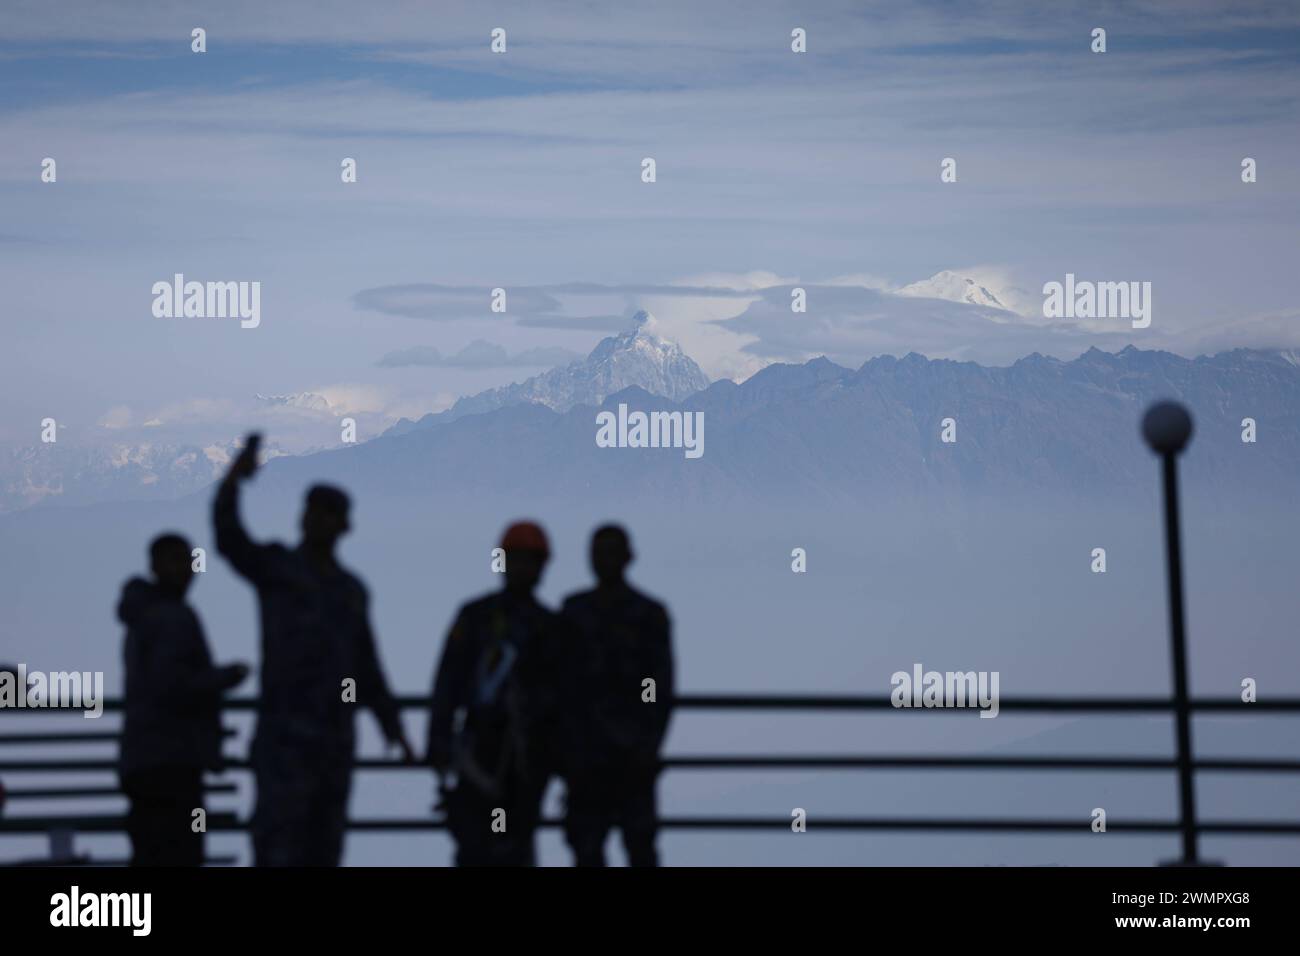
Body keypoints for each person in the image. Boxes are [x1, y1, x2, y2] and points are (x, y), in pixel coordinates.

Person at [214, 433, 413, 866]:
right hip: (283, 746)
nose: (318, 520)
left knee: (324, 852)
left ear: (342, 525)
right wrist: (233, 480)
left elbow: (366, 664)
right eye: (313, 511)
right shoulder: (278, 569)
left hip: (332, 748)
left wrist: (391, 723)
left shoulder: (351, 591)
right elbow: (229, 539)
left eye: (328, 514)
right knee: (278, 850)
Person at [426, 521, 562, 866]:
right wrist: (439, 743)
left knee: (513, 846)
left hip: (527, 761)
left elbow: (564, 700)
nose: (522, 568)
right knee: (478, 848)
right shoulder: (476, 618)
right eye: (516, 559)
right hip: (480, 756)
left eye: (528, 560)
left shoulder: (549, 628)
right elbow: (448, 685)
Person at [118, 533, 249, 866]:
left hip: (144, 761)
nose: (186, 570)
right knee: (183, 850)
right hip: (175, 762)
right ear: (157, 566)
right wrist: (224, 678)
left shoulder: (143, 616)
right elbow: (173, 685)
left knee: (151, 852)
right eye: (178, 560)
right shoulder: (172, 616)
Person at [561, 525, 674, 866]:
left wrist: (647, 741)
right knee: (589, 850)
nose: (603, 560)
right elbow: (561, 683)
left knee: (636, 848)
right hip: (593, 759)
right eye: (598, 552)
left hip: (626, 758)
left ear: (626, 557)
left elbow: (657, 686)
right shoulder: (575, 613)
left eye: (609, 551)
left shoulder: (646, 615)